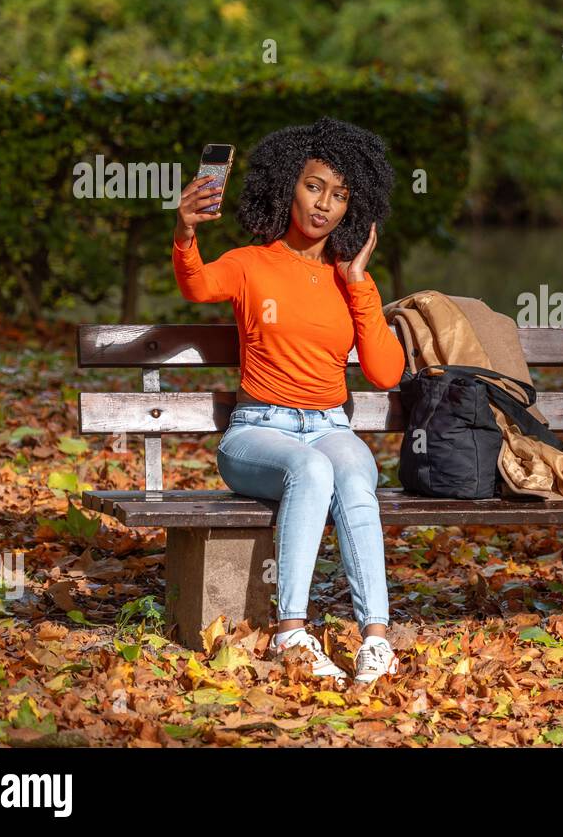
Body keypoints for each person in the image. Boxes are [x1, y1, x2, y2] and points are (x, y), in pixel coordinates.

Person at [172, 116, 406, 687]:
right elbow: (197, 284)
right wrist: (184, 231)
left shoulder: (348, 279)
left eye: (341, 195)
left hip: (328, 423)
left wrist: (360, 284)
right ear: (287, 187)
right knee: (311, 465)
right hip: (258, 433)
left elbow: (385, 371)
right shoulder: (252, 263)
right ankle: (290, 632)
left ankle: (376, 635)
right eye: (314, 186)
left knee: (354, 467)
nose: (325, 204)